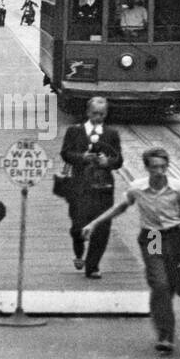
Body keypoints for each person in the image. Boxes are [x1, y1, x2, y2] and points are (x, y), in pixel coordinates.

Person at [83, 147, 180, 355]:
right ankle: (165, 336)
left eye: (163, 167)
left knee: (168, 286)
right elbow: (119, 208)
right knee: (159, 283)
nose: (159, 171)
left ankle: (161, 318)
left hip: (173, 237)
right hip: (152, 237)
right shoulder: (137, 188)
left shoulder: (178, 188)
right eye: (154, 167)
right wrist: (94, 223)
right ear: (147, 168)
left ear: (167, 166)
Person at [60, 97, 122, 278]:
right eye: (95, 113)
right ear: (88, 113)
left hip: (104, 188)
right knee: (78, 226)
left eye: (102, 114)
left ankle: (92, 266)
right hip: (79, 187)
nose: (98, 117)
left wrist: (107, 161)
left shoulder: (111, 133)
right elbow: (65, 153)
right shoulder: (74, 131)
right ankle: (79, 252)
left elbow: (119, 160)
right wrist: (82, 157)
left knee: (102, 228)